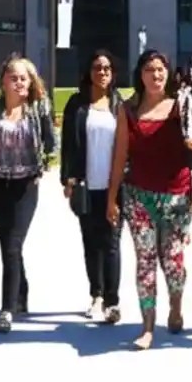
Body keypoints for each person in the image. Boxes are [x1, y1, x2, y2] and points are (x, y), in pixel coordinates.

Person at [106, 49, 192, 351]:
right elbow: (120, 155)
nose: (156, 75)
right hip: (139, 196)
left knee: (172, 260)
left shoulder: (179, 106)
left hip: (176, 197)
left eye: (160, 69)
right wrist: (111, 198)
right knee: (145, 261)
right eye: (149, 70)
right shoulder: (128, 110)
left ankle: (176, 306)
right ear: (140, 75)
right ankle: (147, 326)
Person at [0, 53, 57, 333]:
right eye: (14, 78)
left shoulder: (38, 107)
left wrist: (42, 167)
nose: (20, 82)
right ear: (3, 82)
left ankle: (6, 310)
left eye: (24, 78)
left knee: (12, 245)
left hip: (25, 186)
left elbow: (51, 143)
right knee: (9, 247)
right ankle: (20, 293)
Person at [60, 49, 125, 323]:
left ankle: (112, 301)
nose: (102, 72)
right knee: (90, 242)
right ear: (89, 72)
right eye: (97, 67)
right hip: (86, 184)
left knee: (111, 243)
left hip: (114, 187)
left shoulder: (118, 104)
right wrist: (68, 179)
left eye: (107, 68)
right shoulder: (77, 104)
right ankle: (96, 295)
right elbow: (68, 145)